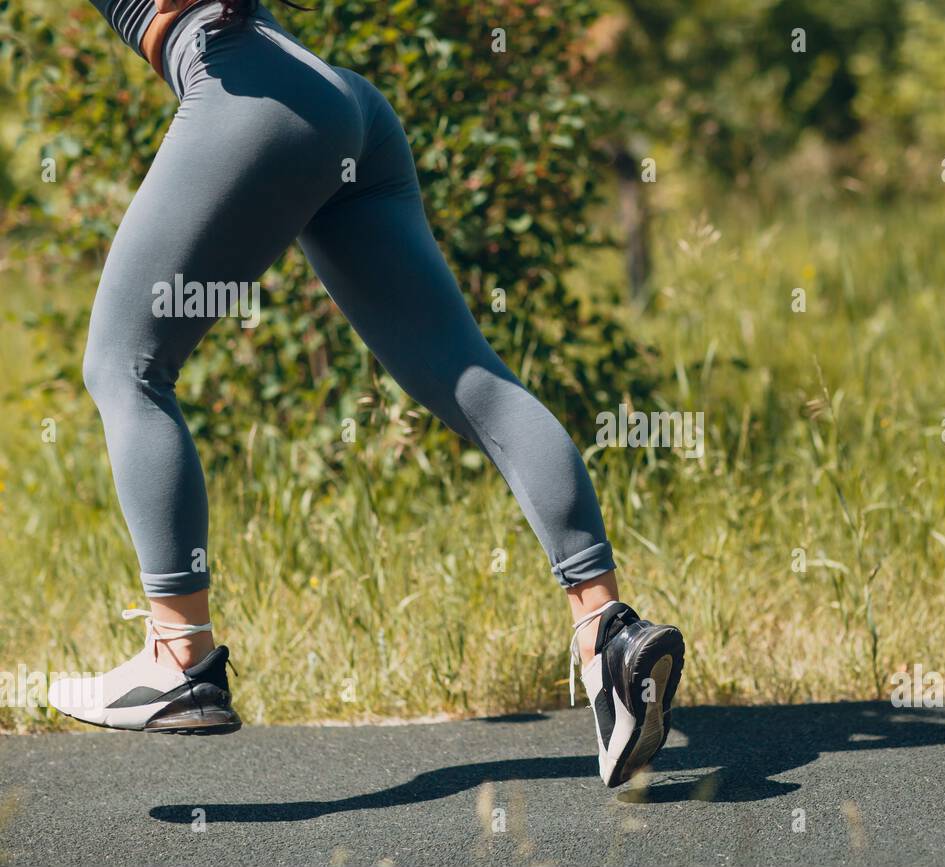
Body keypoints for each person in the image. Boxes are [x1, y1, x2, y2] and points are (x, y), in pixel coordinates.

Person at [47, 0, 685, 788]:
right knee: (467, 373)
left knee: (125, 365)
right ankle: (608, 637)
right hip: (340, 104)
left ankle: (179, 656)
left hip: (246, 85)